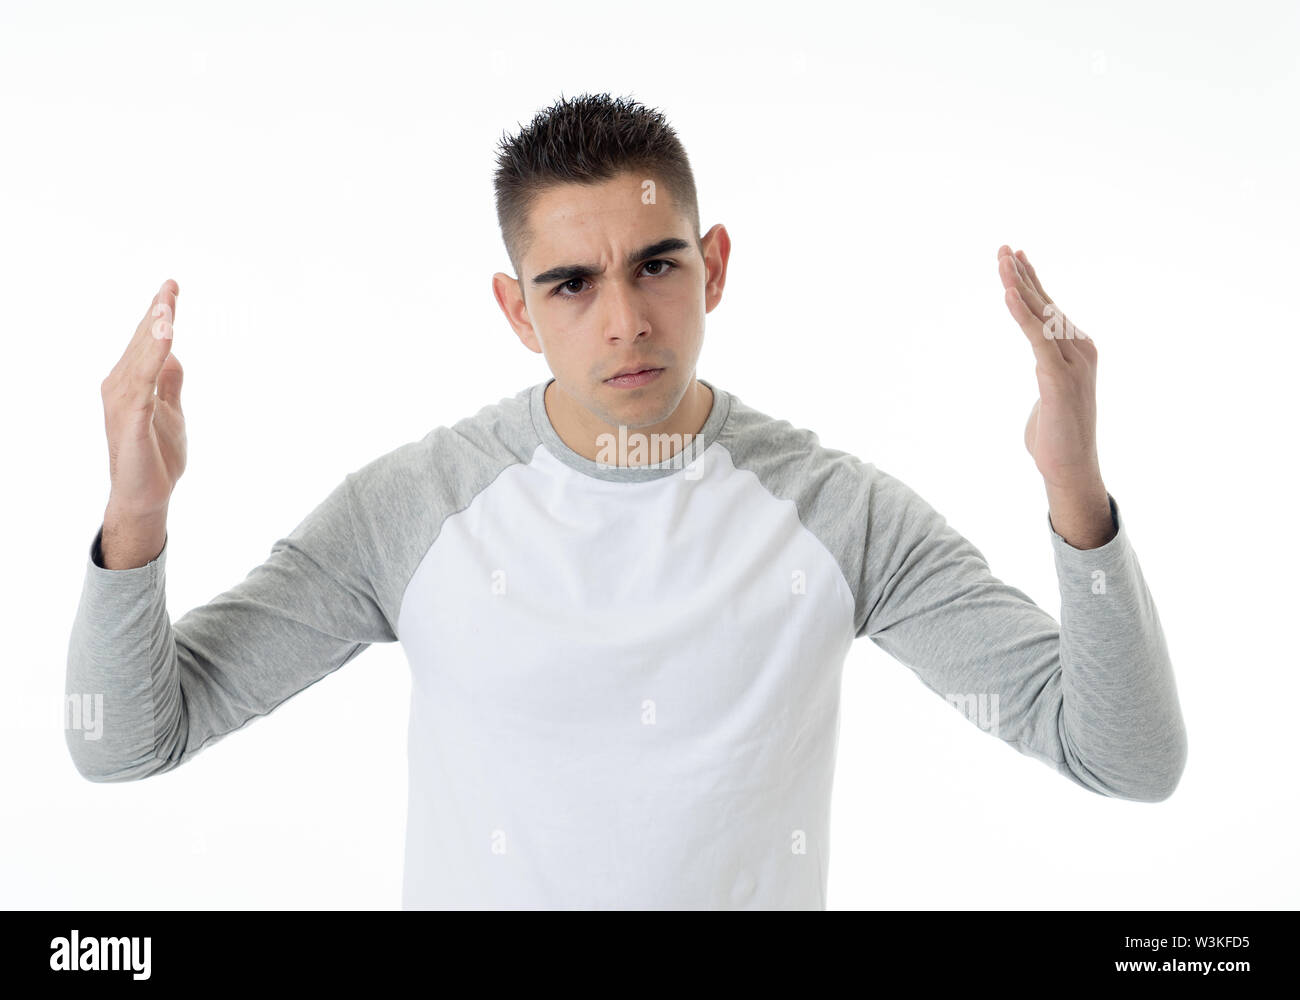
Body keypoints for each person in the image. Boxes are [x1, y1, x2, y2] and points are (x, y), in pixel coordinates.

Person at [66, 92, 1187, 910]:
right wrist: (136, 522)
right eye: (572, 283)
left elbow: (1124, 757)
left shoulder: (838, 517)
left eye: (657, 266)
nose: (625, 321)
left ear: (715, 265)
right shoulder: (412, 509)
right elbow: (124, 744)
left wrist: (1075, 492)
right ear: (517, 309)